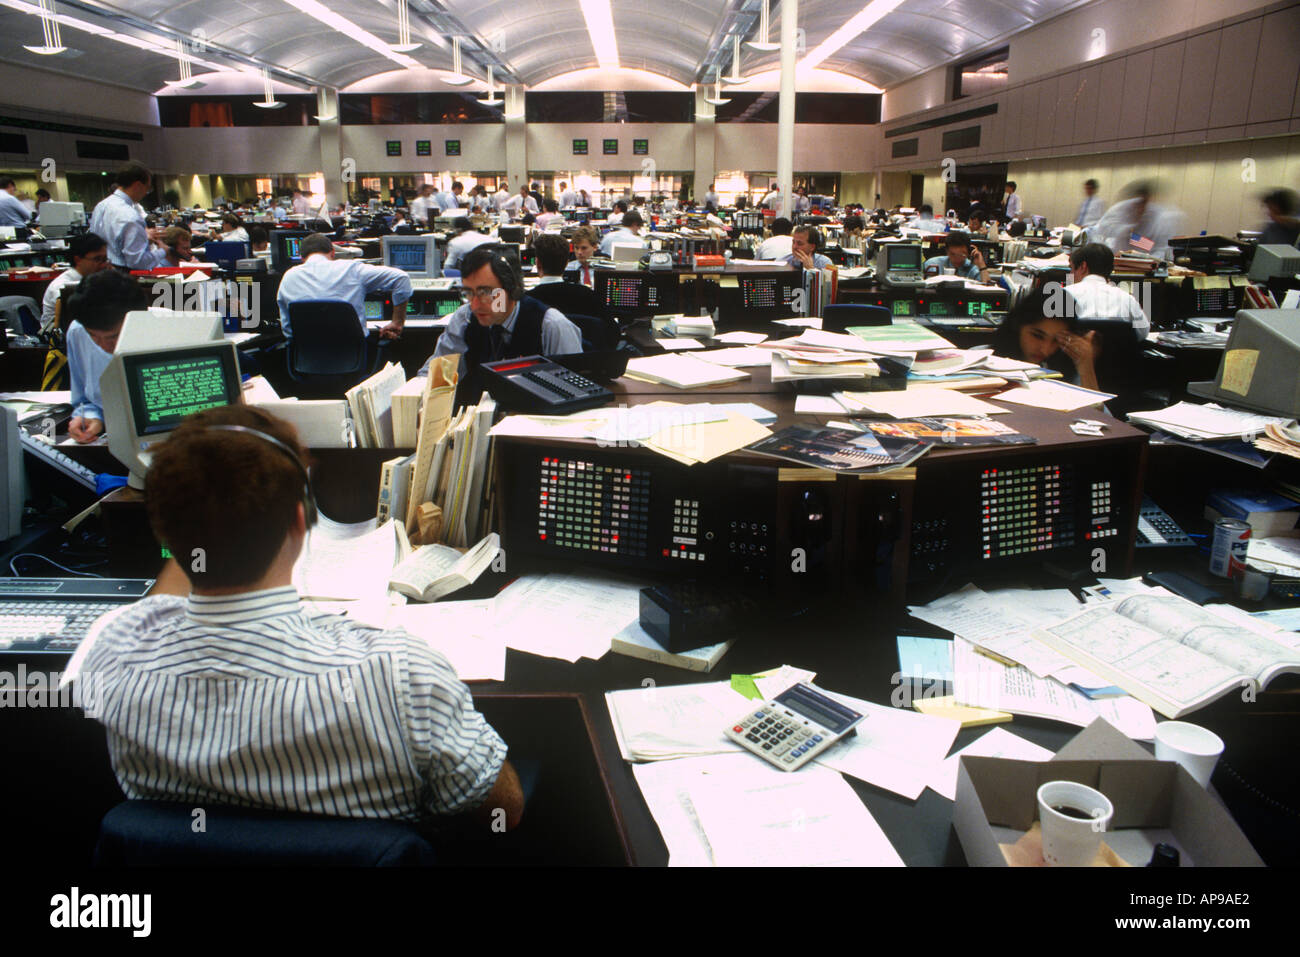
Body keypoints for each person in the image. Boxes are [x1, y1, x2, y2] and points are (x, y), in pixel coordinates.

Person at [75, 403, 522, 829]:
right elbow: (502, 811)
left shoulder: (114, 652)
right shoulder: (401, 673)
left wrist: (196, 516)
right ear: (299, 521)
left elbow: (160, 601)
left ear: (165, 534)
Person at [427, 244, 581, 380]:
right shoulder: (465, 318)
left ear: (513, 289)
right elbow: (437, 376)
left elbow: (577, 393)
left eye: (486, 292)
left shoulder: (553, 326)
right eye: (468, 292)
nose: (474, 305)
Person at [65, 269, 148, 443]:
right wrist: (92, 417)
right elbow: (84, 400)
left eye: (113, 337)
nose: (104, 346)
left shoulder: (169, 333)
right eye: (94, 336)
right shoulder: (78, 331)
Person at [276, 232, 409, 340]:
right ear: (333, 252)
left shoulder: (288, 276)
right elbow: (401, 278)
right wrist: (397, 322)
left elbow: (287, 330)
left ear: (302, 258)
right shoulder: (352, 269)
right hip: (353, 354)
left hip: (306, 358)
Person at [991, 288, 1099, 391]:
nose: (1045, 350)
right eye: (1037, 336)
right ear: (1018, 325)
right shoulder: (986, 361)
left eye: (1056, 340)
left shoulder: (1066, 367)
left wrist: (1086, 367)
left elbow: (1095, 404)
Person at [87, 164, 169, 271]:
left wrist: (144, 239)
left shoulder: (101, 205)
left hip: (100, 271)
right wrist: (163, 251)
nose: (146, 193)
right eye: (147, 188)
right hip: (121, 273)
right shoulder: (131, 216)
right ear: (138, 185)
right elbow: (138, 262)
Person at [1063, 242, 1150, 339]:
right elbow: (1143, 333)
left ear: (1083, 267)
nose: (1071, 274)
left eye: (1071, 268)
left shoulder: (1064, 295)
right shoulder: (1128, 299)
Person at [1092, 181, 1181, 260]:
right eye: (1139, 202)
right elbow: (1102, 229)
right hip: (1118, 259)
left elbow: (1162, 249)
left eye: (1145, 202)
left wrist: (1150, 260)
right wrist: (1128, 231)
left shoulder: (1159, 216)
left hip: (1146, 262)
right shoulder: (1120, 210)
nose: (1140, 208)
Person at [41, 231, 110, 328]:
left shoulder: (95, 279)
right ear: (78, 260)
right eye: (97, 259)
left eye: (105, 259)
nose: (103, 265)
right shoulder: (63, 286)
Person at [529, 233, 603, 322]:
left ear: (537, 263)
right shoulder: (588, 295)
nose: (580, 252)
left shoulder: (525, 302)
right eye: (576, 248)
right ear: (566, 263)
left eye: (583, 248)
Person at [922, 231, 989, 281]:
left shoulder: (972, 268)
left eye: (961, 254)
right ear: (947, 251)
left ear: (968, 252)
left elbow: (987, 288)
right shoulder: (933, 264)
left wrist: (981, 265)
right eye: (953, 254)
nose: (957, 259)